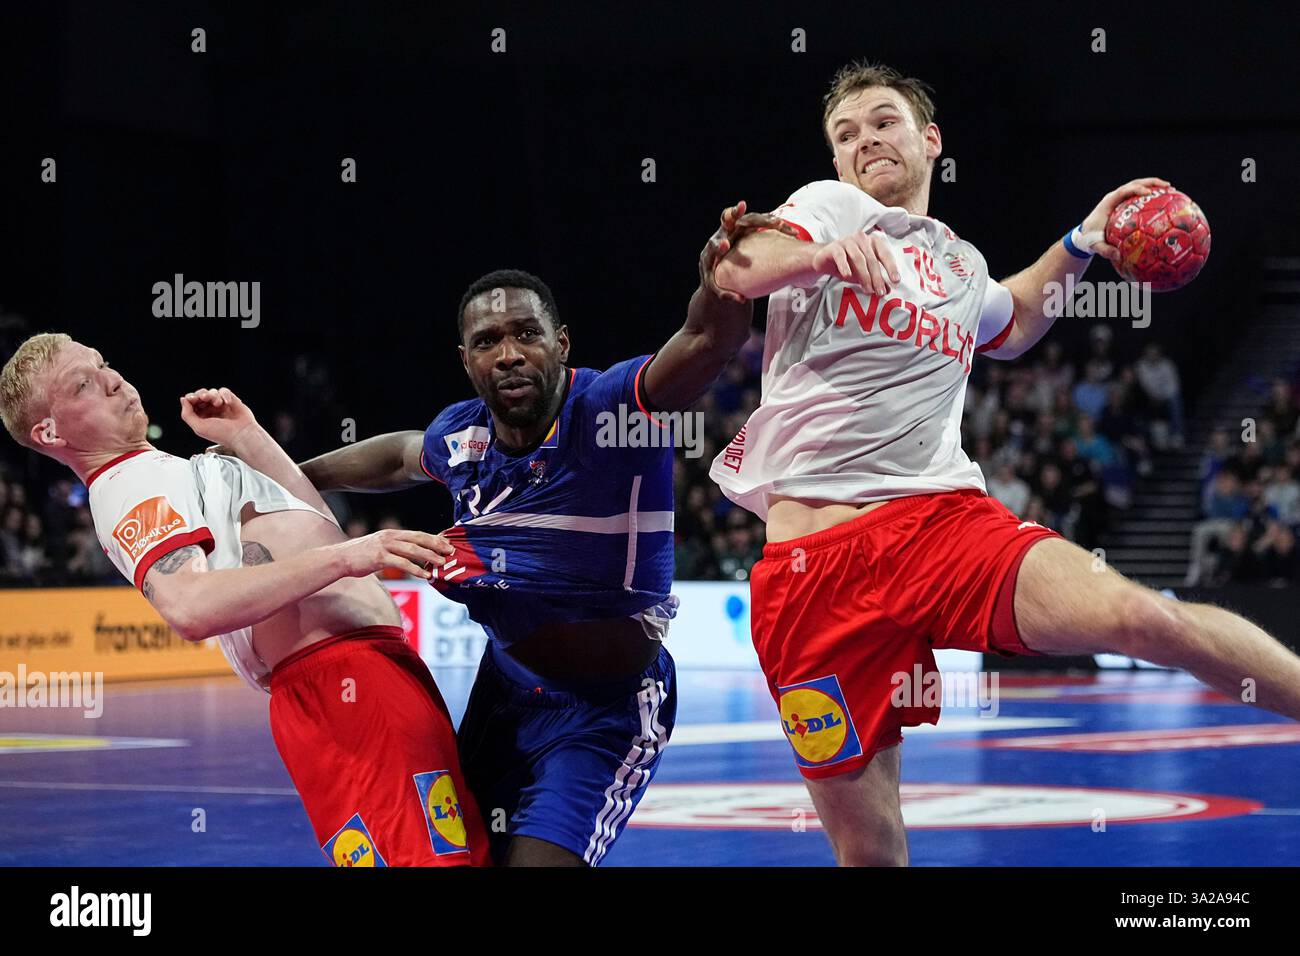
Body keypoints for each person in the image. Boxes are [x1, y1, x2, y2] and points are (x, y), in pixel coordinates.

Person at [708, 59, 1300, 866]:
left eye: (882, 122)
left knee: (1143, 618)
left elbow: (1013, 320)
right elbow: (733, 267)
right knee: (870, 851)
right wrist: (823, 256)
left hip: (940, 526)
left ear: (930, 139)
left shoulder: (957, 262)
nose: (863, 141)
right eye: (845, 135)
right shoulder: (830, 207)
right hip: (811, 569)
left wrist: (1081, 242)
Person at [298, 210, 783, 865]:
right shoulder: (459, 435)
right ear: (466, 360)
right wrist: (290, 477)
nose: (509, 353)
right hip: (503, 695)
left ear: (560, 343)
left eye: (526, 333)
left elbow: (704, 342)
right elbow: (398, 457)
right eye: (488, 339)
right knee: (448, 858)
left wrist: (724, 286)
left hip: (603, 716)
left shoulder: (612, 412)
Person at [0, 335, 490, 867]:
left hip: (370, 671)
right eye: (83, 384)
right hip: (338, 685)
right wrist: (353, 557)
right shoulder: (126, 485)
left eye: (104, 365)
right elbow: (191, 607)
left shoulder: (170, 471)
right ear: (49, 431)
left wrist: (247, 435)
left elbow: (312, 521)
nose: (112, 379)